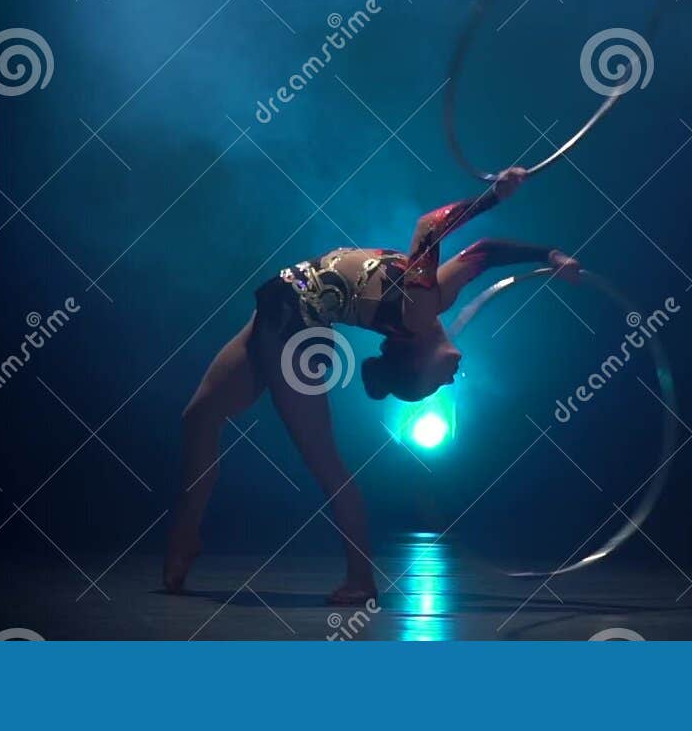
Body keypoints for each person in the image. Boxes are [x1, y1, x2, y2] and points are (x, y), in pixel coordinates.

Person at [163, 166, 581, 603]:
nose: (450, 381)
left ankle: (361, 580)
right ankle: (188, 535)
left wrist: (494, 198)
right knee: (199, 418)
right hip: (281, 303)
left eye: (433, 386)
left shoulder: (418, 310)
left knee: (327, 466)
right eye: (439, 387)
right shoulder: (435, 298)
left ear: (416, 358)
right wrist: (548, 253)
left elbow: (430, 227)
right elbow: (484, 250)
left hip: (294, 327)